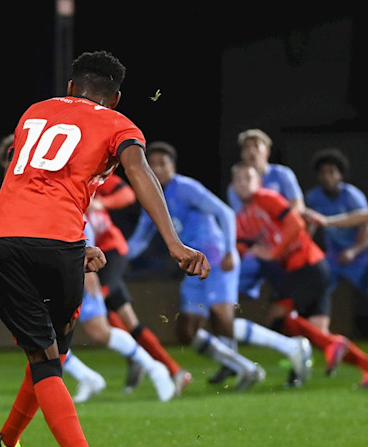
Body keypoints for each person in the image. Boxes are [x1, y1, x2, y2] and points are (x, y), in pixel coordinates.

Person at [0, 50, 209, 447]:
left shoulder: (35, 112)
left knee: (48, 355)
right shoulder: (119, 125)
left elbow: (37, 178)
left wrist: (75, 244)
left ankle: (6, 441)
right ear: (116, 98)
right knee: (50, 359)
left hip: (5, 239)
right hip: (58, 243)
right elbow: (138, 171)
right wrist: (174, 243)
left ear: (70, 88)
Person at [0, 134, 108, 402]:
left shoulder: (52, 188)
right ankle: (89, 377)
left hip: (62, 268)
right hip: (38, 272)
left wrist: (86, 258)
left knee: (92, 332)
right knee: (42, 337)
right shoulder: (9, 197)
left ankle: (152, 368)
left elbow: (79, 219)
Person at [126, 142, 310, 388]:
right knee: (186, 330)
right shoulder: (151, 193)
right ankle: (244, 368)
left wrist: (230, 249)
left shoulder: (185, 187)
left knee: (223, 321)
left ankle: (291, 347)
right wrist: (115, 255)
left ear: (173, 166)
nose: (158, 168)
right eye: (153, 164)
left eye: (163, 163)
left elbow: (224, 212)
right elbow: (140, 237)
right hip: (191, 265)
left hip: (215, 256)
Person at [232, 162, 368, 388]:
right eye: (238, 180)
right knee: (319, 336)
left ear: (258, 182)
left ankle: (301, 370)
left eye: (248, 178)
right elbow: (242, 247)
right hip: (310, 269)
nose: (243, 183)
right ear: (232, 187)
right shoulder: (242, 218)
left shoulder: (266, 198)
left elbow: (295, 222)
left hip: (306, 266)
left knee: (276, 319)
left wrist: (274, 252)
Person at [86, 174, 193, 395]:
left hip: (110, 252)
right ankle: (174, 370)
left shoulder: (88, 174)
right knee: (128, 321)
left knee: (96, 314)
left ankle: (140, 359)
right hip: (90, 257)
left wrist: (102, 202)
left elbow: (127, 194)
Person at [214, 128, 305, 384]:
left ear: (267, 149)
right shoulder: (238, 183)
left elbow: (297, 212)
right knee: (225, 294)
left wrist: (277, 244)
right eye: (247, 147)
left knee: (294, 310)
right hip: (256, 254)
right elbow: (240, 224)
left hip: (285, 253)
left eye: (257, 145)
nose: (251, 150)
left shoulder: (281, 176)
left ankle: (298, 363)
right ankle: (229, 359)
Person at [304, 148, 368, 331]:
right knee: (314, 295)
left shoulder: (360, 196)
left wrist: (328, 221)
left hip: (362, 259)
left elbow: (366, 217)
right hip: (334, 258)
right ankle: (319, 336)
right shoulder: (314, 197)